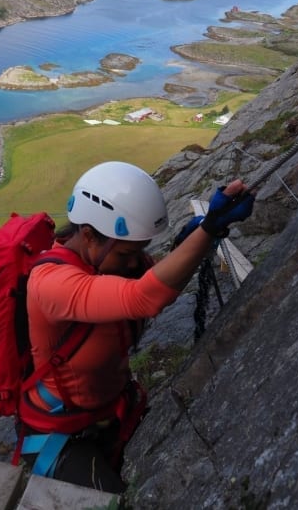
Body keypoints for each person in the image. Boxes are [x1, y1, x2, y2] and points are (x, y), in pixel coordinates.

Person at [19, 160, 255, 492]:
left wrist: (197, 235)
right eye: (128, 253)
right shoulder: (52, 283)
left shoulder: (111, 265)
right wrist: (210, 227)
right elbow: (145, 297)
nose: (136, 262)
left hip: (114, 409)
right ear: (88, 235)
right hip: (59, 431)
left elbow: (153, 283)